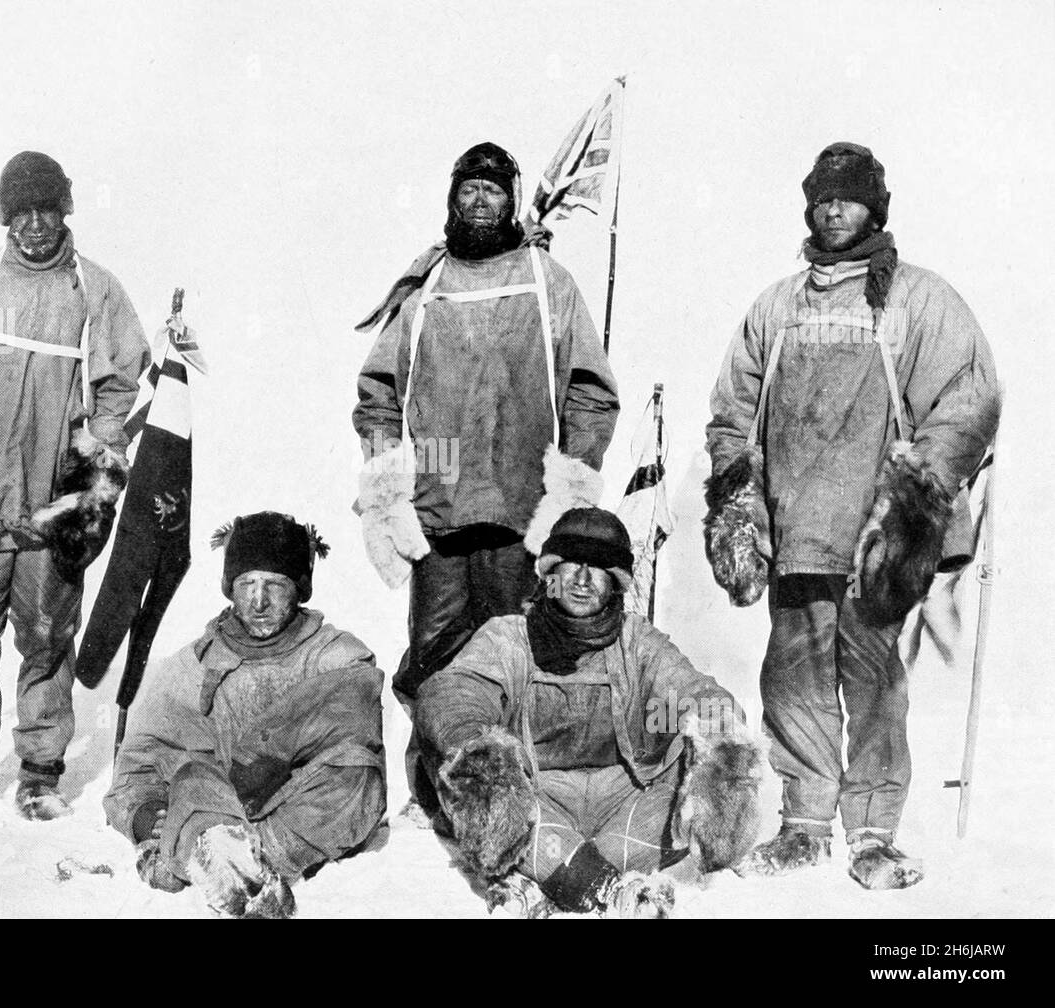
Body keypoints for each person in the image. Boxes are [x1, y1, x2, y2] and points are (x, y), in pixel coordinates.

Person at [704, 142, 1001, 889]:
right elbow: (733, 411)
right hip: (796, 529)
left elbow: (969, 400)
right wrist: (740, 497)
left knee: (872, 681)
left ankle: (873, 834)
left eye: (850, 197)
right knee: (792, 679)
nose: (835, 210)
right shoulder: (778, 306)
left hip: (876, 537)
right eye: (823, 199)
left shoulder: (919, 300)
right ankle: (804, 826)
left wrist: (915, 496)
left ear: (876, 208)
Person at [353, 142, 620, 807]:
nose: (479, 200)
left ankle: (520, 786)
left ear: (512, 201)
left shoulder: (546, 280)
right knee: (435, 654)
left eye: (493, 190)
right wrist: (388, 482)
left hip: (521, 511)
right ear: (452, 199)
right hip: (439, 510)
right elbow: (378, 392)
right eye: (468, 188)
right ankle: (437, 789)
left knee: (520, 651)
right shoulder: (427, 285)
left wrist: (572, 485)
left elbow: (589, 390)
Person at [0, 151, 149, 820]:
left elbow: (121, 385)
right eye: (22, 212)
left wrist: (90, 473)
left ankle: (41, 773)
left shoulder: (95, 290)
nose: (36, 224)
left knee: (46, 638)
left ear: (64, 210)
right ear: (5, 217)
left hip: (49, 511)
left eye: (47, 209)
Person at [415, 508, 761, 918]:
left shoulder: (636, 641)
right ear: (550, 574)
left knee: (689, 771)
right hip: (536, 799)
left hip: (624, 801)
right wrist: (475, 748)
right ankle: (607, 889)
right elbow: (455, 691)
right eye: (571, 564)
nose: (582, 579)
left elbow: (695, 692)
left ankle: (549, 878)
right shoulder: (509, 636)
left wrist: (720, 740)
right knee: (482, 785)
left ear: (615, 583)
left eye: (598, 568)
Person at [104, 512, 388, 919]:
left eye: (275, 584)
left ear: (299, 590)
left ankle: (231, 860)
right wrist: (146, 815)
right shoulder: (193, 666)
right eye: (246, 584)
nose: (259, 601)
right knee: (192, 777)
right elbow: (137, 767)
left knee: (356, 776)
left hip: (298, 809)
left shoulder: (336, 656)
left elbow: (354, 746)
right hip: (219, 803)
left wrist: (267, 755)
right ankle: (222, 856)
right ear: (229, 589)